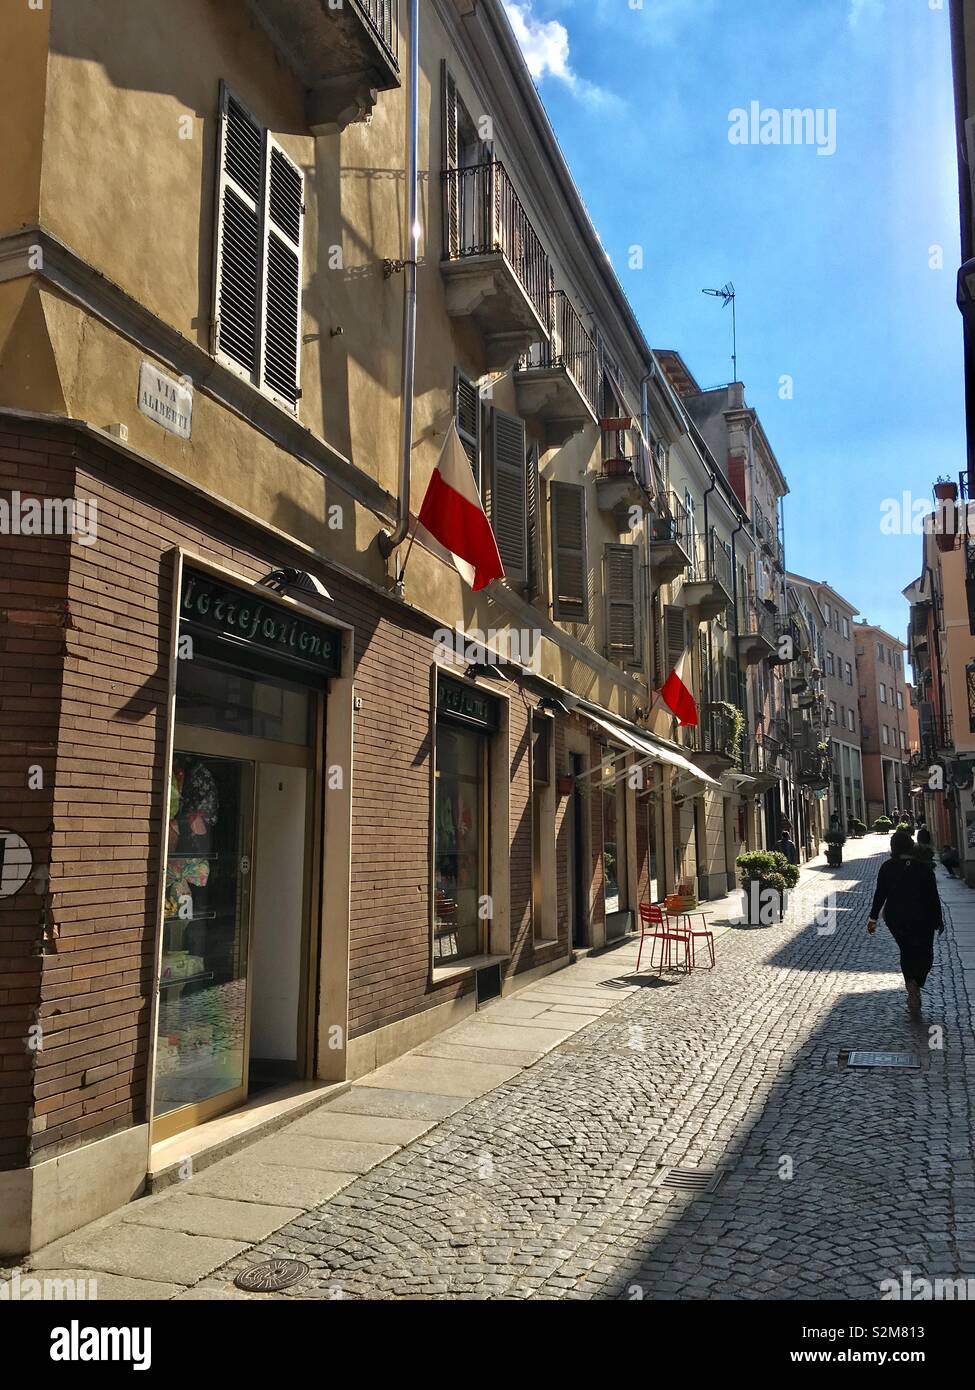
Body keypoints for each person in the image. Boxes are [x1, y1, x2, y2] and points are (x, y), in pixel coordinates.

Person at [867, 828, 944, 1012]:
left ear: (893, 847)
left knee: (906, 950)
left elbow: (880, 895)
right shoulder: (923, 868)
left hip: (896, 918)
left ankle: (911, 983)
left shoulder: (887, 867)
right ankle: (916, 982)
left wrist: (873, 918)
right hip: (922, 918)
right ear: (911, 845)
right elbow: (933, 897)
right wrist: (938, 919)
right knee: (925, 953)